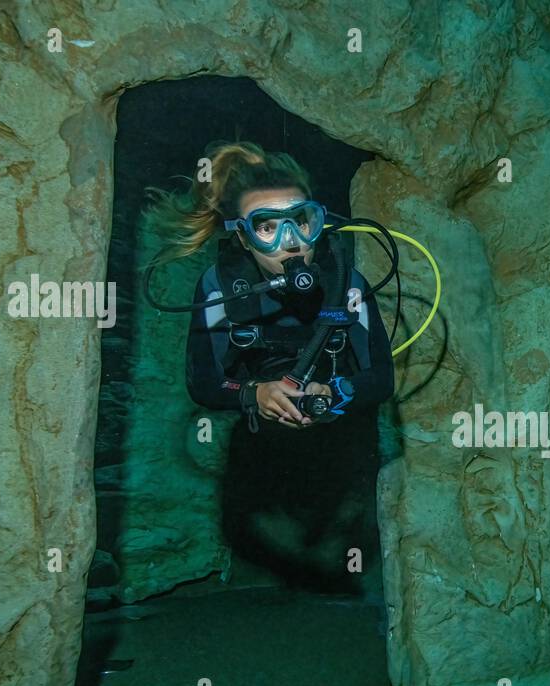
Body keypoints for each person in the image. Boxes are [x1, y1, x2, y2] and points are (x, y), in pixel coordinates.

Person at [146, 141, 394, 589]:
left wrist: (337, 394)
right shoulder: (221, 286)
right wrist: (253, 394)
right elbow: (203, 382)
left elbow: (382, 378)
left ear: (318, 222)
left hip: (337, 433)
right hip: (263, 441)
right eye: (267, 228)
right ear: (242, 236)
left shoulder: (346, 283)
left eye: (301, 221)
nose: (291, 243)